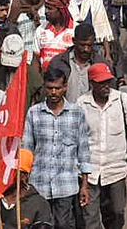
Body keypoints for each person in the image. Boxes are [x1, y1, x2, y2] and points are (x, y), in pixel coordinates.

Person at [75, 63, 127, 229]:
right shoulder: (81, 104)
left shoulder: (122, 100)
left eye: (108, 81)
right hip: (89, 173)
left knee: (117, 212)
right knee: (89, 218)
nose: (106, 85)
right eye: (101, 82)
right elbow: (75, 140)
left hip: (116, 171)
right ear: (92, 83)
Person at [21, 68, 91, 229]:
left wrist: (85, 186)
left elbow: (84, 151)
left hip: (66, 185)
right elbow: (27, 148)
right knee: (40, 225)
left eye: (57, 88)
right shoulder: (34, 113)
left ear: (65, 87)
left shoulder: (77, 113)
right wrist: (23, 179)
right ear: (44, 87)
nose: (53, 92)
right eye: (49, 88)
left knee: (63, 225)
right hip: (39, 184)